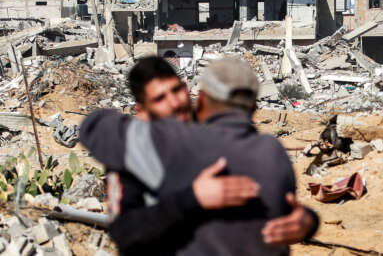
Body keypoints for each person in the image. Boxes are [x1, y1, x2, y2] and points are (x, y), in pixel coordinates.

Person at [80, 57, 319, 256]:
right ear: (141, 112)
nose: (174, 103)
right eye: (159, 99)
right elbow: (127, 233)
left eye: (176, 91)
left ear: (192, 92)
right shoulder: (140, 148)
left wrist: (308, 222)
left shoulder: (247, 143)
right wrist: (192, 198)